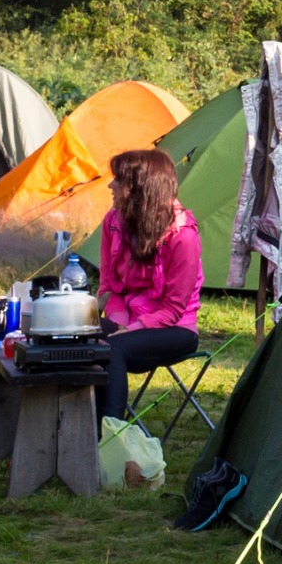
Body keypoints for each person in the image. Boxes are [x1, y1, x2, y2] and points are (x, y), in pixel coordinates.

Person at [97, 148, 201, 424]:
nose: (111, 186)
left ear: (140, 190)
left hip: (174, 327)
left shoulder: (182, 237)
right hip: (126, 320)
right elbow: (109, 287)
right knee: (81, 337)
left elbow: (173, 308)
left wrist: (129, 330)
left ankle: (110, 437)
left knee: (112, 349)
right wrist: (119, 322)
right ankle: (77, 429)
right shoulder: (113, 223)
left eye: (119, 181)